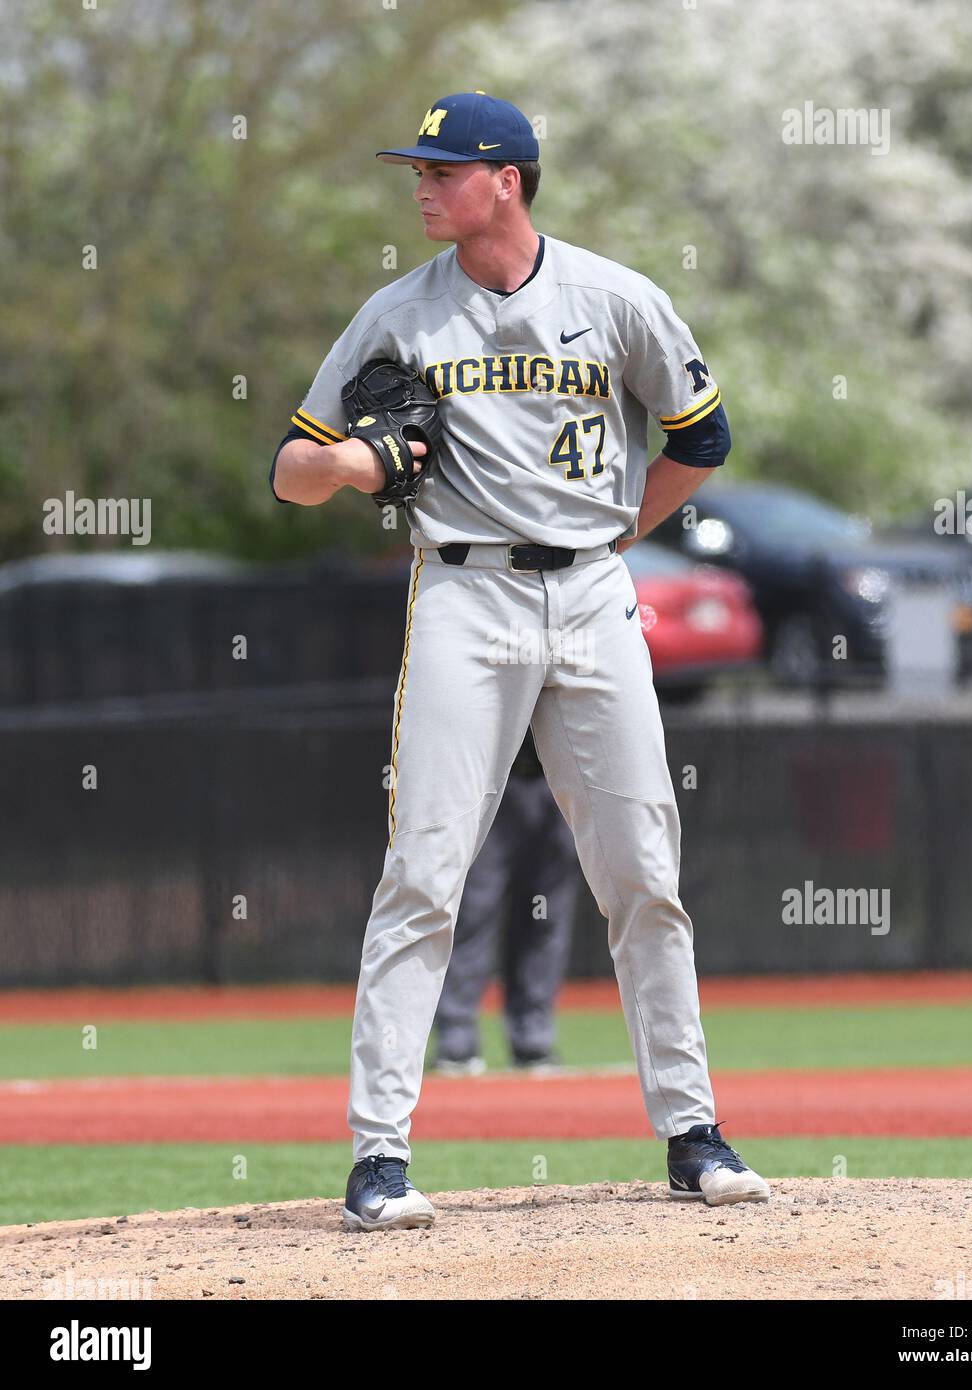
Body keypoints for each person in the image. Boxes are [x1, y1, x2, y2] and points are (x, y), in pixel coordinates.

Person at [269, 92, 770, 1231]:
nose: (422, 185)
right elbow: (287, 473)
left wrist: (618, 537)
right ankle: (379, 1155)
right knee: (426, 868)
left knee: (642, 868)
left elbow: (702, 437)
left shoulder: (614, 297)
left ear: (508, 180)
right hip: (463, 591)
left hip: (593, 594)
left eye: (443, 169)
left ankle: (693, 1134)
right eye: (421, 168)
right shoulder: (398, 314)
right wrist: (351, 464)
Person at [430, 726, 578, 1076]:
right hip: (489, 781)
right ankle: (456, 1040)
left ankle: (533, 1040)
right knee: (473, 910)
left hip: (562, 783)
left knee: (544, 918)